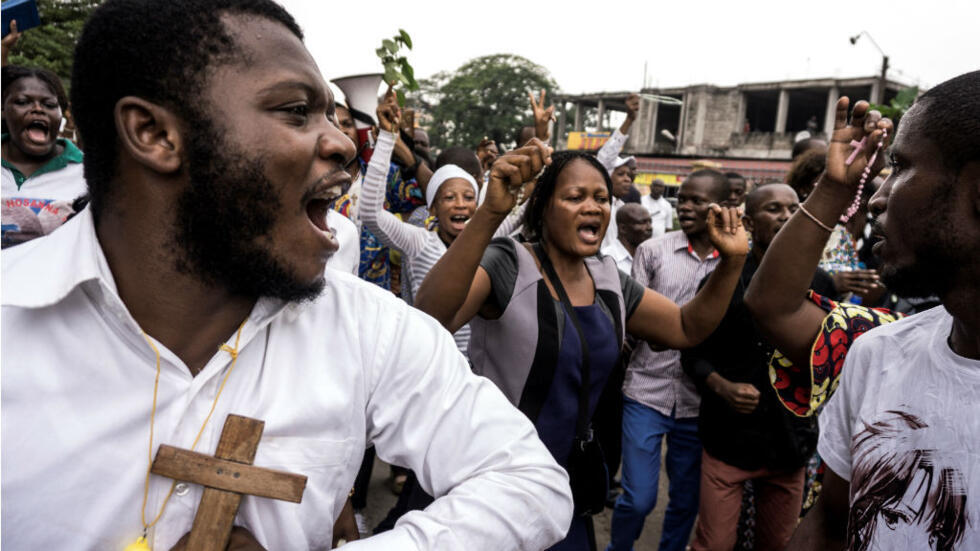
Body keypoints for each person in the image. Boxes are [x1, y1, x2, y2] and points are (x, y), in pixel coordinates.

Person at [0, 2, 575, 549]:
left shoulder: (366, 329)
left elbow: (529, 483)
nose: (342, 142)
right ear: (154, 134)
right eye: (296, 111)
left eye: (330, 112)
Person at [415, 146, 748, 550]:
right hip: (494, 478)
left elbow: (685, 326)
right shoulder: (507, 262)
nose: (592, 207)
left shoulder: (609, 279)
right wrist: (488, 214)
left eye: (601, 198)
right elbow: (431, 318)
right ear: (544, 208)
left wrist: (731, 263)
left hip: (565, 483)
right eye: (575, 197)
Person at [745, 74, 980, 549]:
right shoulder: (878, 351)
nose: (875, 196)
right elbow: (830, 526)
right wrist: (832, 187)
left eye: (900, 165)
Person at [681, 184, 835, 551]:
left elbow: (833, 360)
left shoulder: (821, 283)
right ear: (748, 221)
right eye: (773, 208)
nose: (786, 216)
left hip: (789, 444)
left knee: (779, 543)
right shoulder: (722, 280)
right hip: (729, 441)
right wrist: (722, 387)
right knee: (714, 543)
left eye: (793, 207)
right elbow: (692, 353)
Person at [608, 169, 732, 551]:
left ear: (722, 208)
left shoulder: (733, 262)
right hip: (646, 390)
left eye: (698, 200)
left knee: (685, 500)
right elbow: (633, 318)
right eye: (685, 198)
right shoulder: (653, 251)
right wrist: (656, 331)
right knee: (639, 497)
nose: (686, 206)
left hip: (699, 401)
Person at [360, 88, 523, 352]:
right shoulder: (419, 241)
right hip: (426, 358)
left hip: (472, 370)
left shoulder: (485, 238)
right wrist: (388, 138)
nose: (460, 204)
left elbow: (521, 211)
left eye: (469, 197)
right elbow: (370, 213)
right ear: (433, 208)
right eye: (449, 197)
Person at [2, 64, 87, 248]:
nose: (38, 109)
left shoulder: (87, 173)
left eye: (49, 105)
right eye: (23, 102)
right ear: (3, 110)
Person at [596, 93, 640, 250]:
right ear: (606, 176)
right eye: (620, 174)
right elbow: (607, 154)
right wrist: (629, 120)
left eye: (629, 175)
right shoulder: (599, 203)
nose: (627, 179)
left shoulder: (622, 208)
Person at [601, 203, 651, 274]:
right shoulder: (606, 258)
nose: (649, 228)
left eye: (650, 222)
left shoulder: (650, 257)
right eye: (642, 223)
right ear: (623, 228)